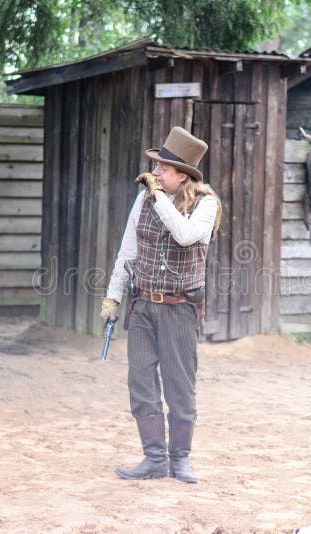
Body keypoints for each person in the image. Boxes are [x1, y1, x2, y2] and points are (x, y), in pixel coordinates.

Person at [101, 126, 222, 484]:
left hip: (180, 308)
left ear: (182, 176)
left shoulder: (207, 204)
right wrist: (113, 296)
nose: (154, 173)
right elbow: (128, 251)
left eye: (163, 169)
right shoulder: (145, 199)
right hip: (142, 304)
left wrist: (157, 197)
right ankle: (154, 459)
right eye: (156, 167)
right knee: (140, 381)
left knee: (179, 385)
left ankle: (179, 460)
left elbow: (184, 236)